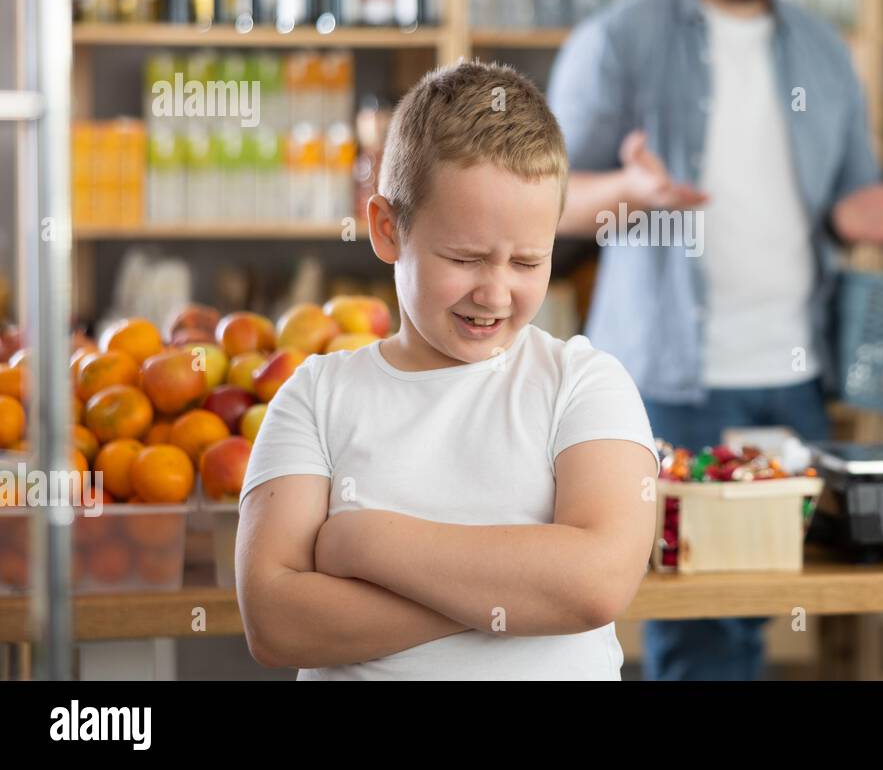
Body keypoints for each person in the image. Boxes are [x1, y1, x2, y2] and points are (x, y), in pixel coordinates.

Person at [548, 0, 883, 681]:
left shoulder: (827, 54)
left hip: (795, 377)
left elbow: (845, 204)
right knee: (693, 627)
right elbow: (546, 205)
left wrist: (858, 221)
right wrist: (628, 195)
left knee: (761, 609)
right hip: (664, 383)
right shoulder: (619, 41)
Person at [237, 61, 662, 680]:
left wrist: (364, 543)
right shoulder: (315, 397)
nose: (494, 293)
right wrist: (516, 592)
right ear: (388, 229)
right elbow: (275, 624)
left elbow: (595, 585)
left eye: (526, 262)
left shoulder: (586, 383)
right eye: (464, 258)